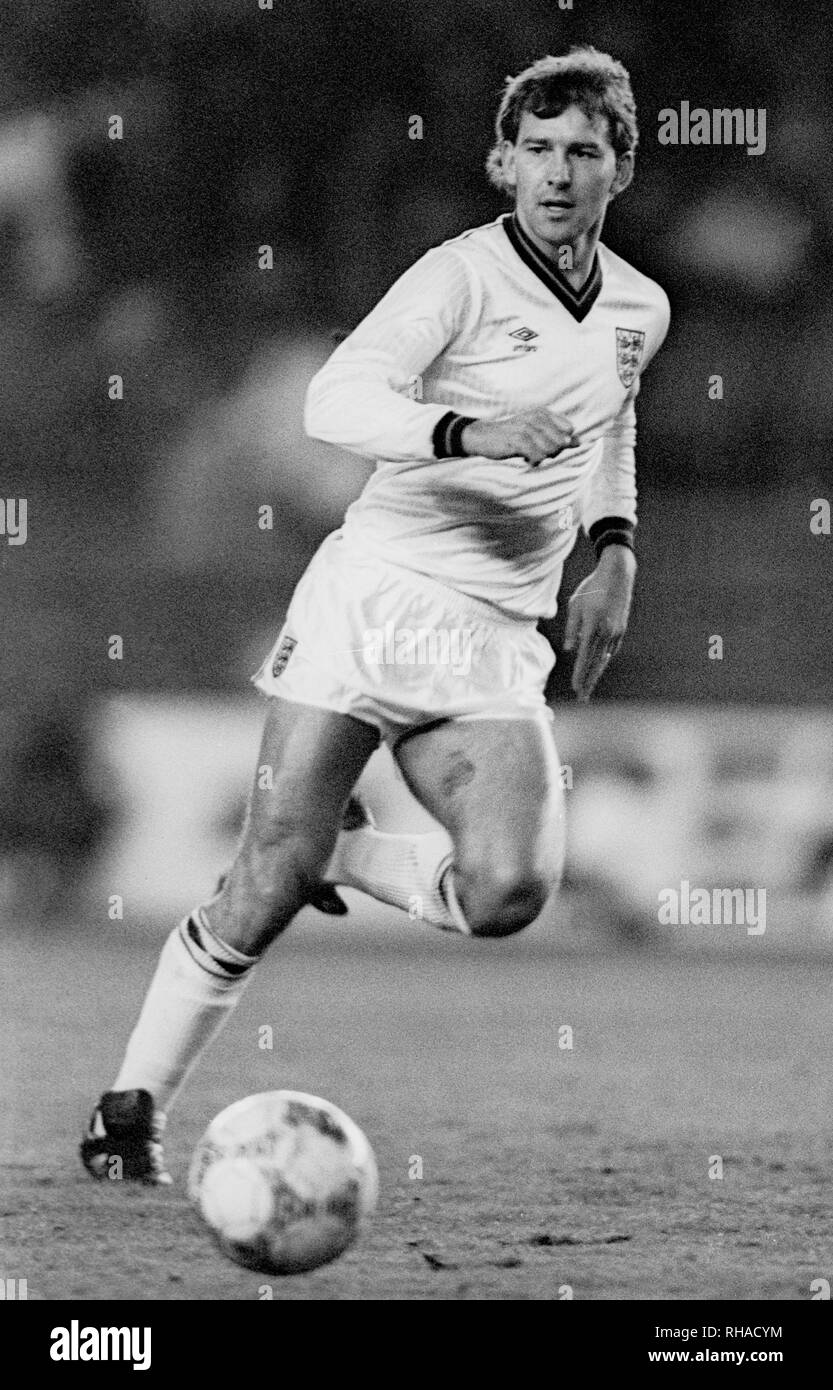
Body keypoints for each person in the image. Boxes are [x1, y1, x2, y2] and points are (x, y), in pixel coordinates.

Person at [82, 46, 670, 1183]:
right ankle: (129, 1110)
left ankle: (347, 851)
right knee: (261, 881)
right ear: (502, 163)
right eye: (535, 150)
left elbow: (611, 430)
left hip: (495, 634)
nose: (555, 173)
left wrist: (614, 550)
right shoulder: (454, 278)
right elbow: (334, 396)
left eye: (581, 153)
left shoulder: (640, 306)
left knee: (505, 892)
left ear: (618, 170)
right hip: (374, 598)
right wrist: (470, 431)